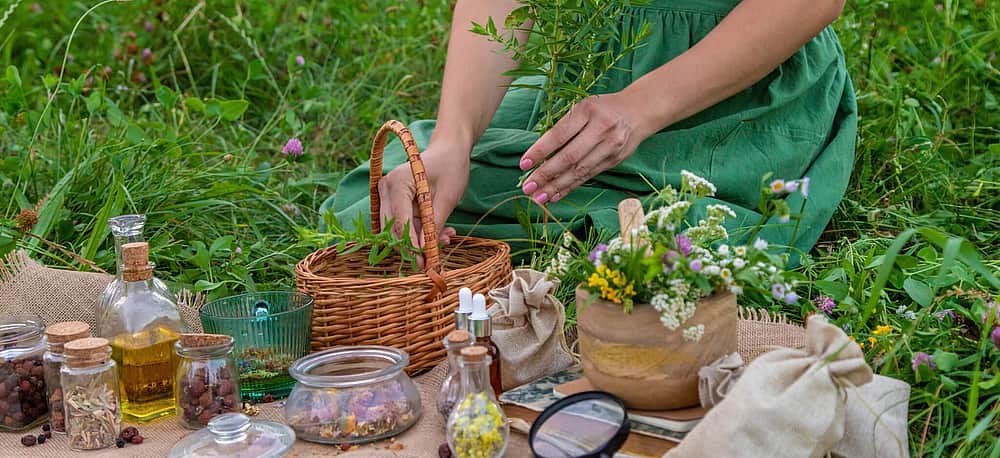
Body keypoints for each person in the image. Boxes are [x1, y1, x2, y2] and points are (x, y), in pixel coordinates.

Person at [322, 0, 856, 260]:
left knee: (648, 229)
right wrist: (453, 140)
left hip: (736, 77)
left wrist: (639, 110)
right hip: (605, 65)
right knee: (392, 193)